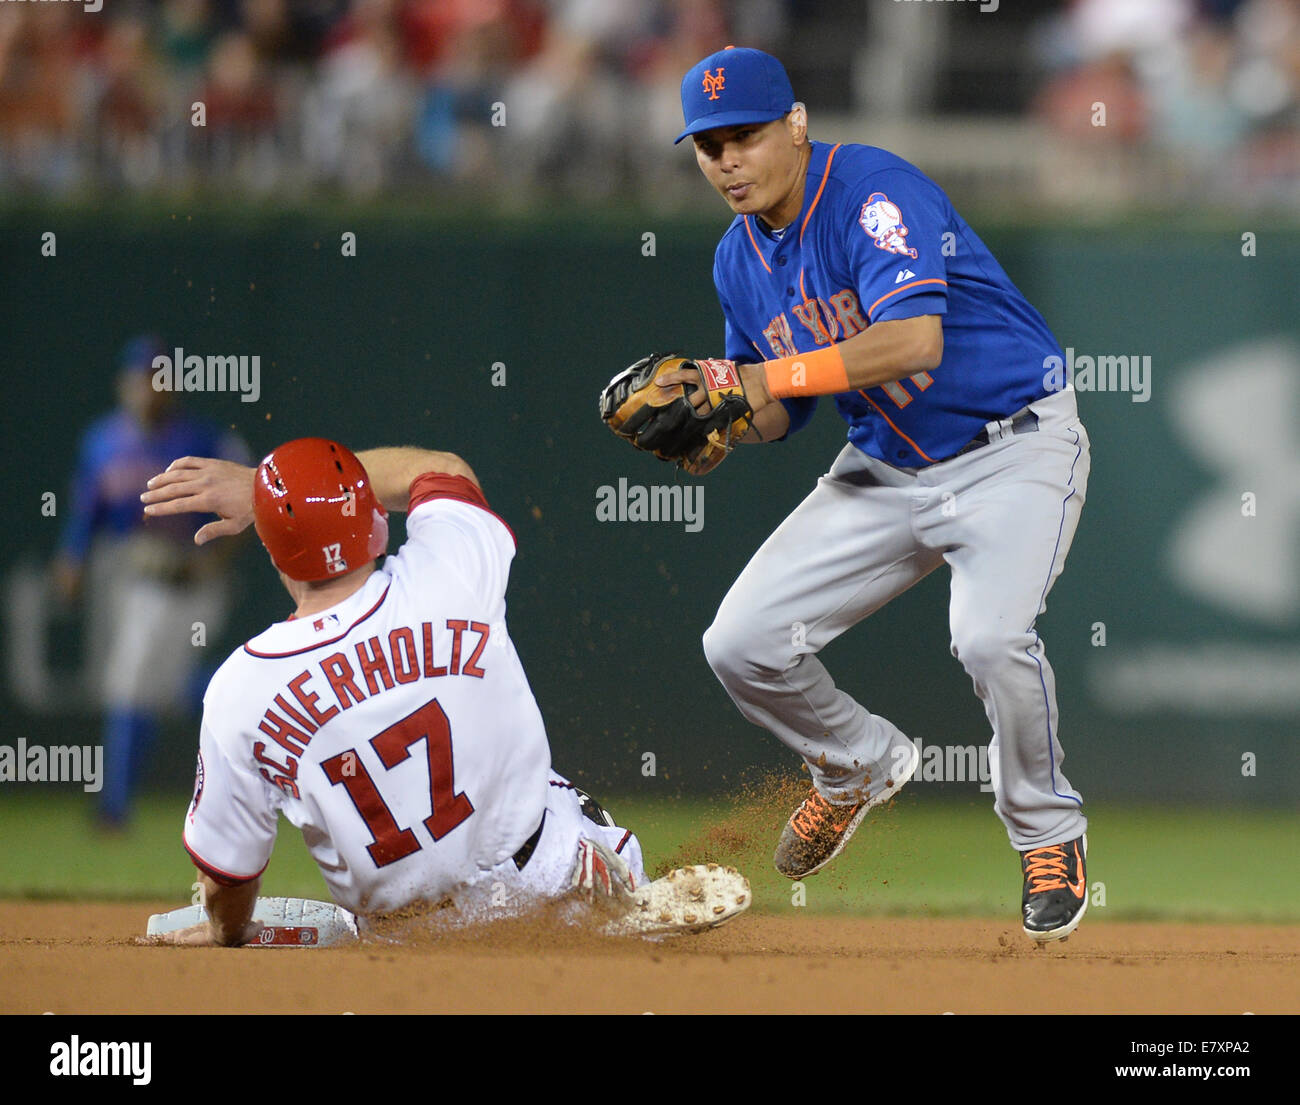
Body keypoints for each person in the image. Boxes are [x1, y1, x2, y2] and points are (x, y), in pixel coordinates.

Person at [660, 47, 1091, 942]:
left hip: (1010, 447)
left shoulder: (871, 191)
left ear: (797, 123)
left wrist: (761, 380)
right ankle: (856, 763)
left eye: (744, 136)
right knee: (738, 642)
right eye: (708, 147)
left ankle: (1048, 834)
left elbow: (913, 341)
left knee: (989, 637)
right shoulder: (736, 260)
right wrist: (726, 429)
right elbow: (780, 410)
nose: (728, 160)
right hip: (886, 469)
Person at [138, 438, 749, 944]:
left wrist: (229, 931)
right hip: (543, 876)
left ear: (272, 550)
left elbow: (229, 875)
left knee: (343, 904)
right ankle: (602, 886)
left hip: (408, 938)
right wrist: (260, 486)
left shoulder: (239, 690)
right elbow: (441, 471)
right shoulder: (449, 569)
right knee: (543, 786)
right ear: (373, 524)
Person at [52, 335, 247, 828]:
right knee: (147, 687)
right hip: (136, 577)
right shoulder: (103, 440)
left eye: (158, 378)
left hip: (190, 578)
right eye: (140, 378)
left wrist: (218, 557)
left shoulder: (203, 440)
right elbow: (87, 511)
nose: (148, 388)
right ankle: (240, 686)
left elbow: (249, 500)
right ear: (126, 384)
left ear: (172, 386)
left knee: (134, 683)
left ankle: (114, 807)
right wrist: (72, 558)